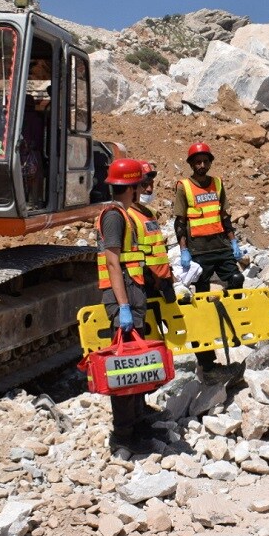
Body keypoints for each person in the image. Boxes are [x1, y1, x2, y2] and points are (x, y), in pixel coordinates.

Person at [96, 157, 154, 453]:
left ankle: (138, 420)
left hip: (132, 293)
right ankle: (123, 434)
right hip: (124, 296)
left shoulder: (124, 214)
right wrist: (123, 306)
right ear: (132, 187)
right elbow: (112, 261)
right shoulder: (114, 216)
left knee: (136, 363)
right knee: (123, 367)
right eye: (140, 185)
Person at [175, 142, 245, 383]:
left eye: (205, 161)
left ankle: (233, 326)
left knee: (236, 279)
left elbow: (224, 217)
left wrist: (233, 241)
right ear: (191, 164)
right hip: (199, 251)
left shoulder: (218, 184)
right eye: (197, 162)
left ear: (210, 162)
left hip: (221, 247)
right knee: (201, 300)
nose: (202, 165)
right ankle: (207, 360)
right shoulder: (184, 187)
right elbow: (180, 222)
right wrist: (184, 250)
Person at [133, 161, 176, 304]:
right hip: (145, 280)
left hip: (160, 279)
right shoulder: (128, 216)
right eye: (144, 184)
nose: (150, 189)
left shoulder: (150, 213)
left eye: (151, 184)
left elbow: (156, 247)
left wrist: (166, 274)